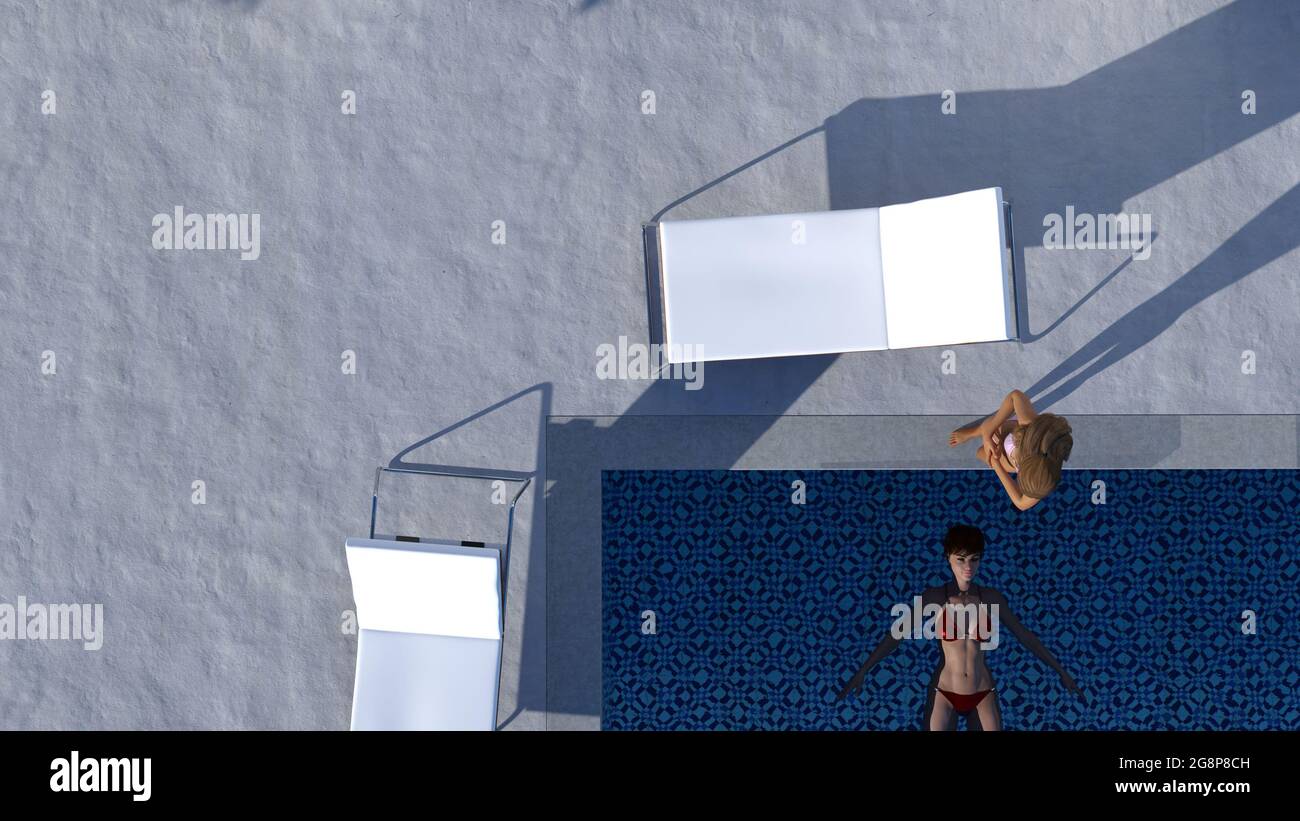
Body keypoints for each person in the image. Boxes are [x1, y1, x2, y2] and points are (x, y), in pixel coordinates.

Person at [837, 524, 1081, 730]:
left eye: (974, 559)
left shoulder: (991, 598)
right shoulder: (935, 597)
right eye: (961, 559)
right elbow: (896, 636)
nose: (968, 567)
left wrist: (1061, 670)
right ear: (948, 558)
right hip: (945, 691)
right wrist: (864, 670)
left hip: (982, 691)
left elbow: (1025, 636)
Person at [948, 389, 1073, 510]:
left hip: (1010, 457)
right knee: (988, 426)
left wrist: (996, 463)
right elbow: (1015, 396)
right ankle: (973, 432)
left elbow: (1021, 504)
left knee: (980, 453)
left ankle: (984, 433)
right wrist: (987, 435)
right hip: (1013, 434)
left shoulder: (1041, 482)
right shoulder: (1029, 425)